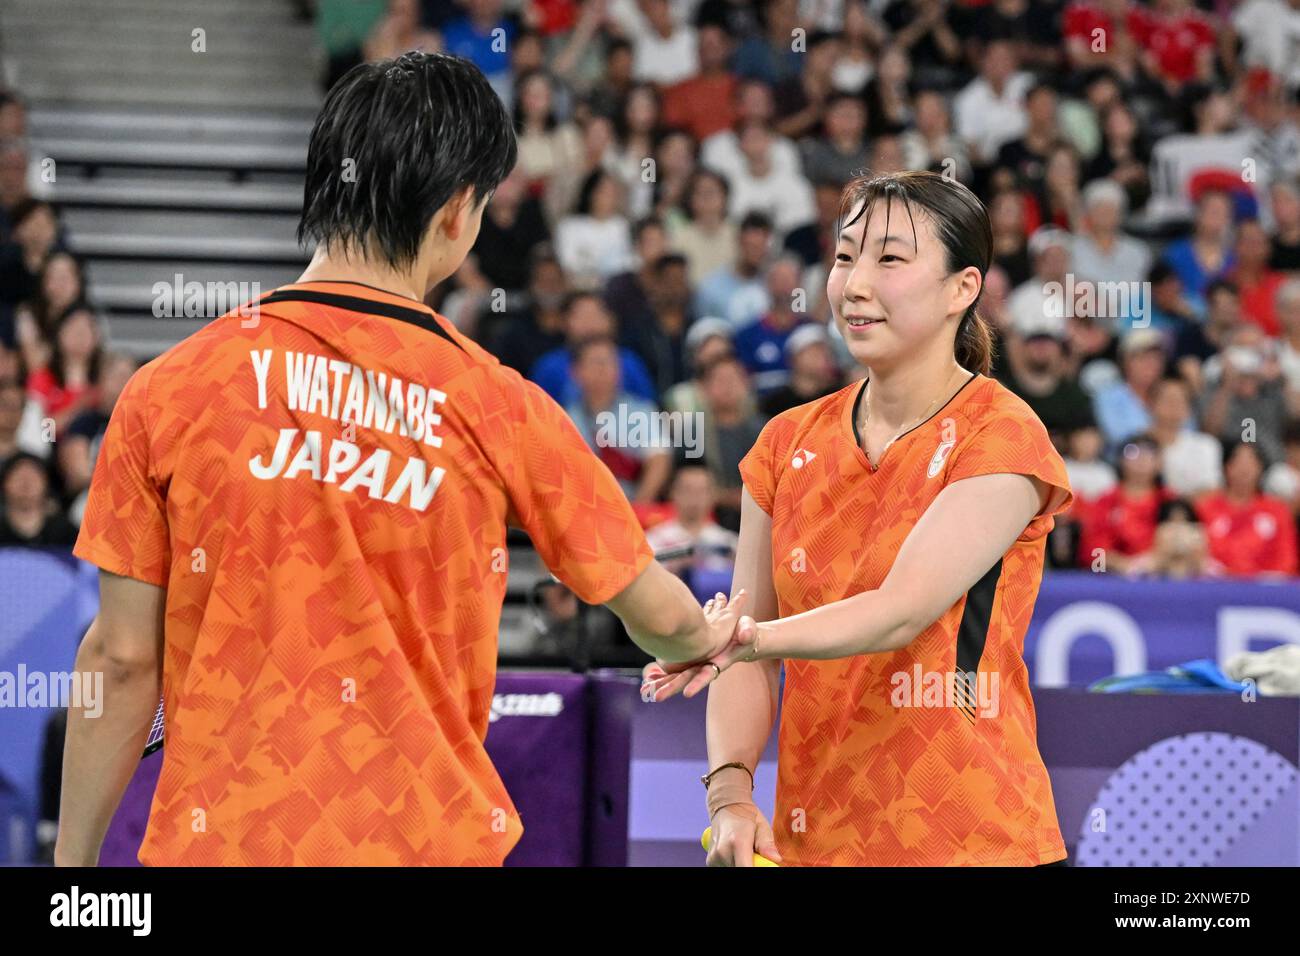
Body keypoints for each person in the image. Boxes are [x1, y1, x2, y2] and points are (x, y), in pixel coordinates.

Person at [57, 52, 748, 869]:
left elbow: (123, 658)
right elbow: (657, 612)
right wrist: (700, 637)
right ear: (459, 212)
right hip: (425, 843)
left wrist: (71, 869)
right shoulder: (501, 404)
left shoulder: (169, 388)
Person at [643, 171, 1073, 867]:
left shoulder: (1002, 434)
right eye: (845, 257)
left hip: (976, 841)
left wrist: (736, 639)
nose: (854, 283)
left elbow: (899, 611)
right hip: (814, 845)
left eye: (890, 259)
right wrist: (730, 795)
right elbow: (752, 654)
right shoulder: (783, 443)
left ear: (962, 289)